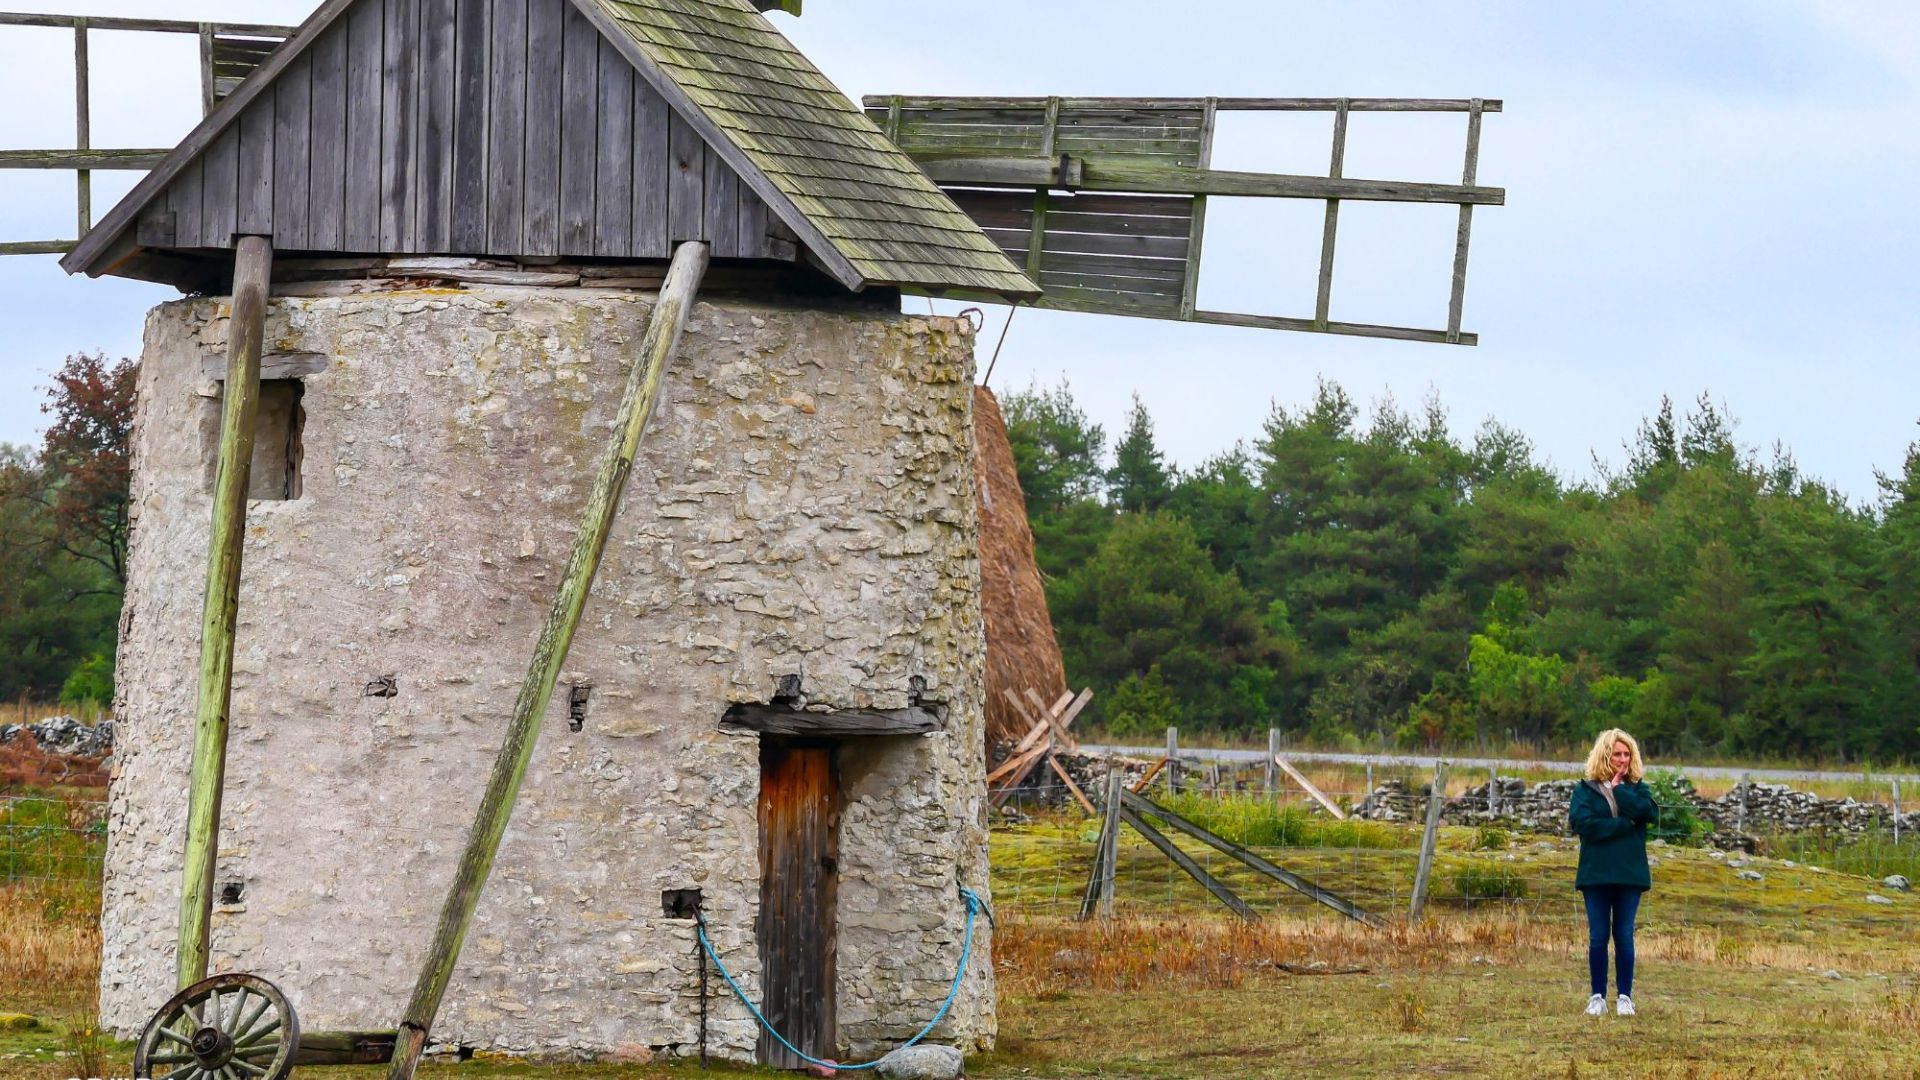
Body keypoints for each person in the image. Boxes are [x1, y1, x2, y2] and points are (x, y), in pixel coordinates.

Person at [1568, 728, 1655, 1017]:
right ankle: (1597, 996)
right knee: (1598, 935)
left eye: (1627, 754)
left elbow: (1648, 814)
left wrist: (1620, 791)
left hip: (1630, 876)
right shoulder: (1585, 791)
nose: (1622, 759)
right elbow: (1584, 824)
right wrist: (1622, 826)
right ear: (1605, 755)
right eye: (1616, 753)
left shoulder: (1638, 789)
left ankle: (1625, 998)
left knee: (1624, 934)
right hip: (1596, 875)